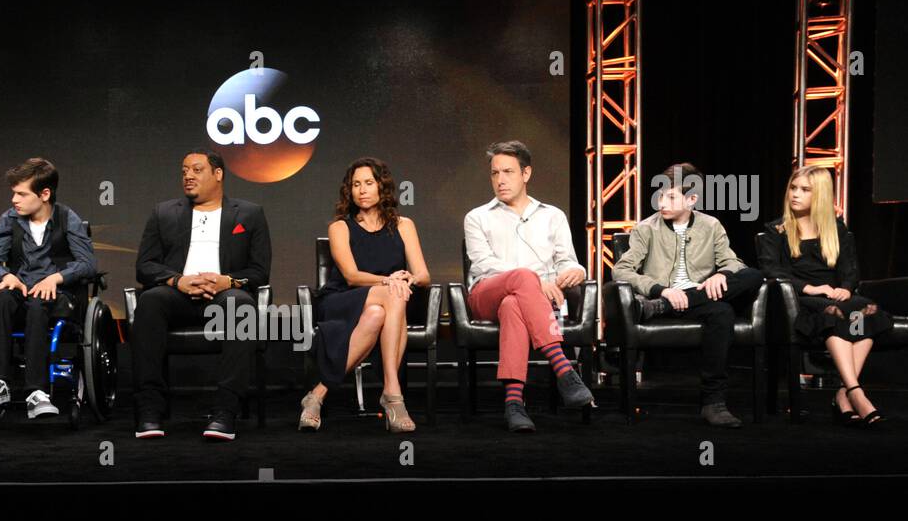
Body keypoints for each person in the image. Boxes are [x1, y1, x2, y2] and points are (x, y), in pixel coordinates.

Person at [131, 149, 271, 440]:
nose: (188, 176)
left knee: (241, 304)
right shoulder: (163, 212)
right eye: (184, 171)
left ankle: (225, 412)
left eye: (196, 170)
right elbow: (144, 266)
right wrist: (176, 281)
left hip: (224, 294)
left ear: (218, 174)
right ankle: (150, 411)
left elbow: (259, 272)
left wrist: (227, 281)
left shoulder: (249, 213)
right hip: (177, 295)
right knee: (149, 301)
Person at [612, 162, 765, 427]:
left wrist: (722, 275)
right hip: (669, 295)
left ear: (692, 199)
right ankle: (713, 401)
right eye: (660, 195)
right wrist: (662, 291)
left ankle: (713, 404)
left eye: (670, 196)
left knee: (753, 275)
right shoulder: (647, 228)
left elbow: (732, 262)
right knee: (723, 311)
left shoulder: (711, 226)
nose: (662, 202)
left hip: (696, 298)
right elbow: (621, 271)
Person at [463, 140, 594, 433]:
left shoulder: (552, 215)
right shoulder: (477, 217)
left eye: (508, 172)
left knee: (514, 305)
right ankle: (565, 370)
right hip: (486, 295)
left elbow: (568, 261)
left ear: (526, 174)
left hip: (533, 303)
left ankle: (514, 405)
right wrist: (535, 280)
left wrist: (575, 271)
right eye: (495, 173)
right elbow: (484, 265)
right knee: (521, 279)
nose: (500, 180)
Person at [299, 157, 431, 433]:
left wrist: (409, 276)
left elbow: (424, 276)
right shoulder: (339, 228)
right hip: (343, 299)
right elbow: (351, 276)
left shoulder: (404, 225)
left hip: (385, 303)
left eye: (369, 183)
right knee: (393, 295)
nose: (362, 190)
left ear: (382, 187)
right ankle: (392, 393)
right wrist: (388, 279)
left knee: (378, 313)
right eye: (356, 184)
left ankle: (317, 395)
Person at [758, 165, 890, 426]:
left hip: (836, 297)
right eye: (793, 188)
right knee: (837, 314)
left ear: (819, 195)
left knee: (866, 310)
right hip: (799, 300)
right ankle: (855, 393)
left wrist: (846, 288)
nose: (795, 194)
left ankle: (844, 392)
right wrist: (810, 288)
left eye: (805, 190)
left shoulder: (837, 229)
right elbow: (770, 269)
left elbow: (851, 270)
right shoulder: (777, 231)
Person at [0, 158, 96, 419]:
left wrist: (56, 278)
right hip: (19, 290)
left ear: (44, 194)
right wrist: (5, 275)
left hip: (54, 296)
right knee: (2, 299)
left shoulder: (67, 218)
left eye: (21, 193)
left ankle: (36, 391)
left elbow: (87, 264)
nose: (14, 200)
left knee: (38, 304)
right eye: (13, 193)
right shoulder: (9, 219)